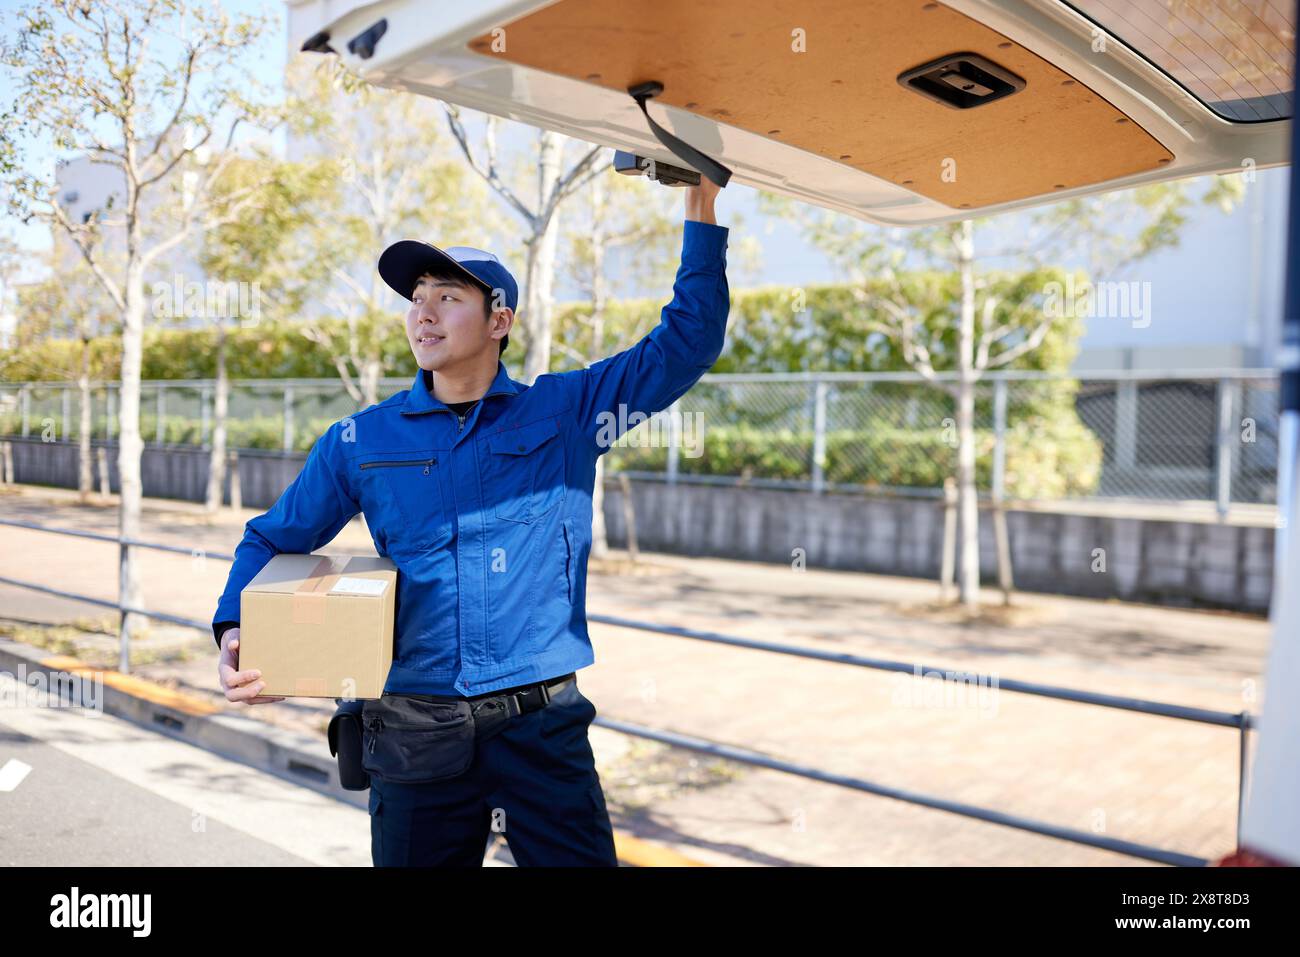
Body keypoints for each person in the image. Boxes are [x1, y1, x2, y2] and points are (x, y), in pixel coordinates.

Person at [214, 175, 729, 865]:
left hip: (541, 730)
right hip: (413, 733)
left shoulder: (567, 413)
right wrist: (238, 627)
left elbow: (687, 343)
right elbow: (271, 537)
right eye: (416, 299)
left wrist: (700, 203)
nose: (422, 314)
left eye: (448, 297)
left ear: (499, 322)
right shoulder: (362, 438)